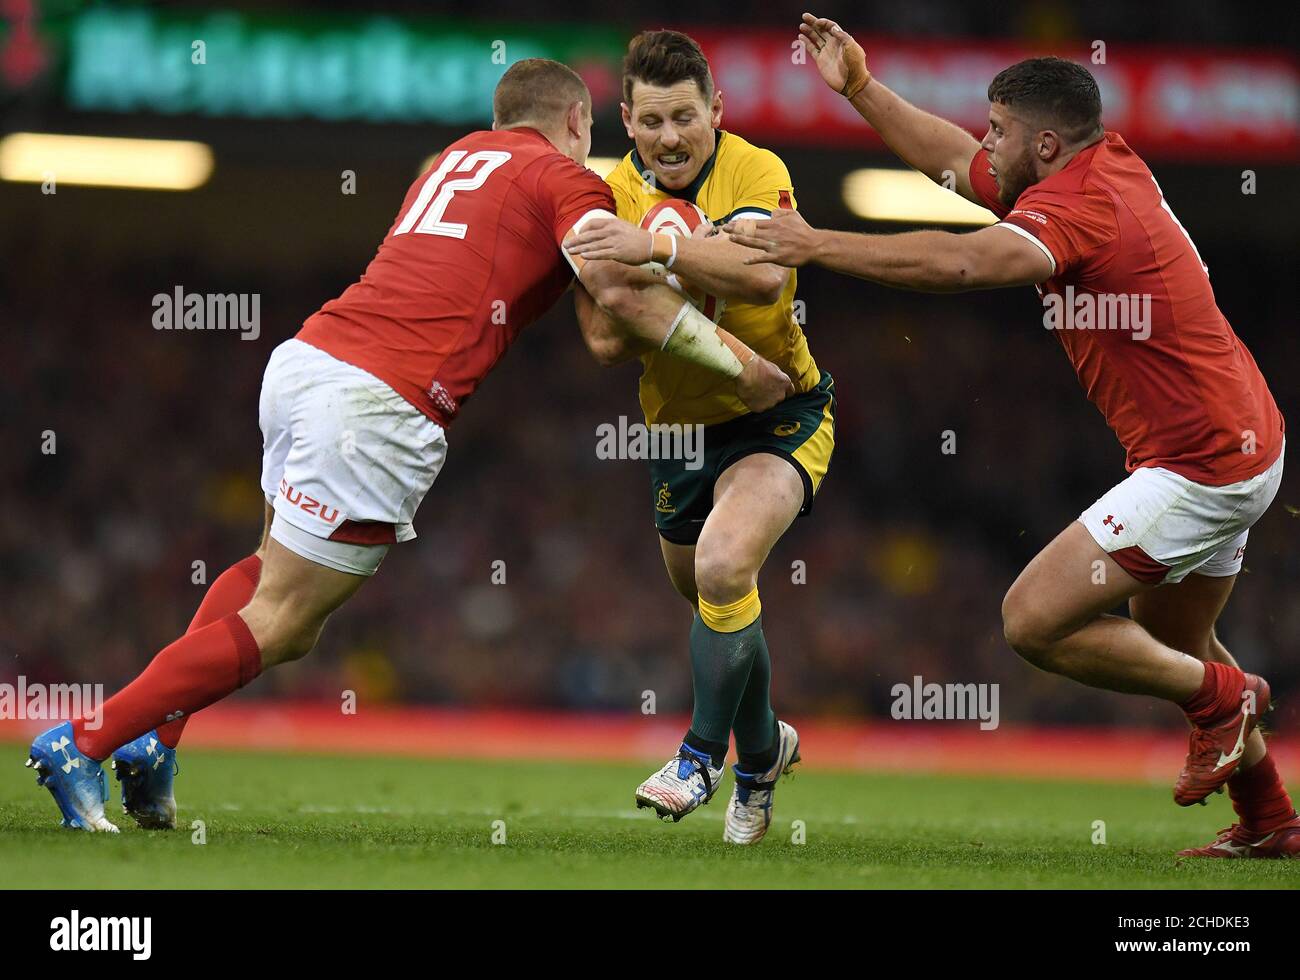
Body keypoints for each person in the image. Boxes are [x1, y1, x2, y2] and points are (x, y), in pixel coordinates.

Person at [26, 57, 794, 833]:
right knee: (286, 622)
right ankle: (85, 739)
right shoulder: (568, 181)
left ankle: (155, 743)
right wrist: (744, 366)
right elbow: (618, 290)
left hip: (306, 360)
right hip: (375, 401)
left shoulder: (457, 157)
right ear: (574, 124)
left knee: (267, 577)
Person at [724, 14, 1296, 858]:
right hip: (1241, 436)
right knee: (1171, 643)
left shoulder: (1082, 206)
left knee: (1033, 620)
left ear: (1050, 144)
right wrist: (860, 90)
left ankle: (1223, 696)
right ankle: (1270, 820)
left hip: (1203, 462)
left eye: (999, 131)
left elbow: (962, 265)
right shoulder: (1096, 166)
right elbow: (953, 163)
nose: (983, 147)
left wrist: (814, 245)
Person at [565, 30, 834, 844]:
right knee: (723, 606)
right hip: (678, 435)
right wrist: (656, 263)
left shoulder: (757, 170)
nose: (670, 137)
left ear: (717, 109)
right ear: (626, 119)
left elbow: (763, 274)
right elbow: (605, 340)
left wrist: (651, 251)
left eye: (686, 115)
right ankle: (765, 749)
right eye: (652, 121)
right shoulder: (607, 190)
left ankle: (700, 757)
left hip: (779, 413)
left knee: (723, 565)